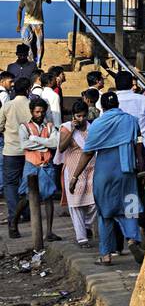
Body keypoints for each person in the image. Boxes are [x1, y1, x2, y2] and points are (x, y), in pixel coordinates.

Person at [69, 90, 144, 266]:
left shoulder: (97, 124)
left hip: (105, 174)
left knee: (105, 213)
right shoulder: (131, 120)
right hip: (127, 171)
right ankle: (133, 239)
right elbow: (139, 142)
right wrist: (140, 162)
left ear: (102, 106)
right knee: (130, 207)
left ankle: (106, 255)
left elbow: (87, 153)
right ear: (117, 104)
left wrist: (74, 176)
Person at [114, 70, 145, 235]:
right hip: (144, 153)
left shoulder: (111, 101)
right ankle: (141, 227)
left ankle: (130, 228)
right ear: (131, 84)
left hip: (120, 154)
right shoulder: (143, 100)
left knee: (128, 190)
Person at [55, 101, 97, 247]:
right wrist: (73, 130)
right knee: (76, 203)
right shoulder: (66, 128)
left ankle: (86, 225)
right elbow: (61, 148)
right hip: (73, 168)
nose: (81, 119)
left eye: (83, 116)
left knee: (94, 201)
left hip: (91, 167)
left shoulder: (91, 128)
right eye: (78, 116)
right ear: (73, 116)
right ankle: (82, 238)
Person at [19, 97, 59, 247]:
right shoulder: (24, 126)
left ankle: (48, 232)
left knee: (48, 197)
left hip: (46, 164)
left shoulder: (49, 126)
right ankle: (14, 221)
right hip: (31, 164)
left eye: (42, 112)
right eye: (37, 112)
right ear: (31, 111)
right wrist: (44, 145)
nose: (40, 114)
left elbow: (54, 143)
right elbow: (24, 144)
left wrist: (36, 140)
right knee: (26, 196)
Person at [0, 78, 36, 238]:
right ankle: (25, 212)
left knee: (10, 185)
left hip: (11, 151)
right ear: (28, 89)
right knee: (28, 183)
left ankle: (14, 216)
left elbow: (0, 126)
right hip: (30, 150)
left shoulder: (7, 106)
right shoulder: (33, 107)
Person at [17, 0, 51, 67]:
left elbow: (48, 1)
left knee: (39, 43)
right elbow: (19, 10)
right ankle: (30, 60)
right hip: (27, 22)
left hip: (38, 23)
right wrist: (18, 24)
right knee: (26, 42)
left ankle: (38, 61)